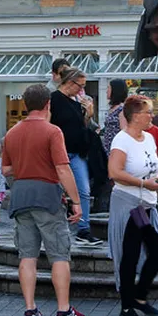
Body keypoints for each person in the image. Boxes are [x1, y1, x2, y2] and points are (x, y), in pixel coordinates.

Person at [2, 83, 88, 316]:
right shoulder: (52, 131)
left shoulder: (12, 133)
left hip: (21, 197)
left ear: (25, 104)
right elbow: (63, 168)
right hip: (47, 196)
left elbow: (6, 169)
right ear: (48, 104)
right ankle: (64, 311)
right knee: (59, 254)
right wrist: (76, 201)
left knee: (27, 256)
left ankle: (30, 310)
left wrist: (27, 167)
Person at [107, 94, 158, 316]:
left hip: (148, 204)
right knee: (130, 255)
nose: (151, 116)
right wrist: (143, 184)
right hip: (129, 203)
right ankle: (126, 305)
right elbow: (114, 172)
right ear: (135, 116)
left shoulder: (149, 138)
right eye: (148, 112)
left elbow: (156, 172)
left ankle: (140, 296)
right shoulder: (122, 140)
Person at [50, 68, 102, 246]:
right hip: (59, 153)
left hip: (77, 152)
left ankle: (83, 229)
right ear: (70, 83)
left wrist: (88, 115)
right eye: (80, 86)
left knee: (84, 190)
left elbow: (81, 127)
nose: (82, 90)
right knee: (56, 191)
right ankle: (55, 228)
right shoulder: (54, 99)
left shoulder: (76, 101)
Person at [101, 78, 129, 153]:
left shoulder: (122, 110)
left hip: (116, 149)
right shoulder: (112, 109)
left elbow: (124, 132)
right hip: (108, 148)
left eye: (108, 88)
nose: (106, 91)